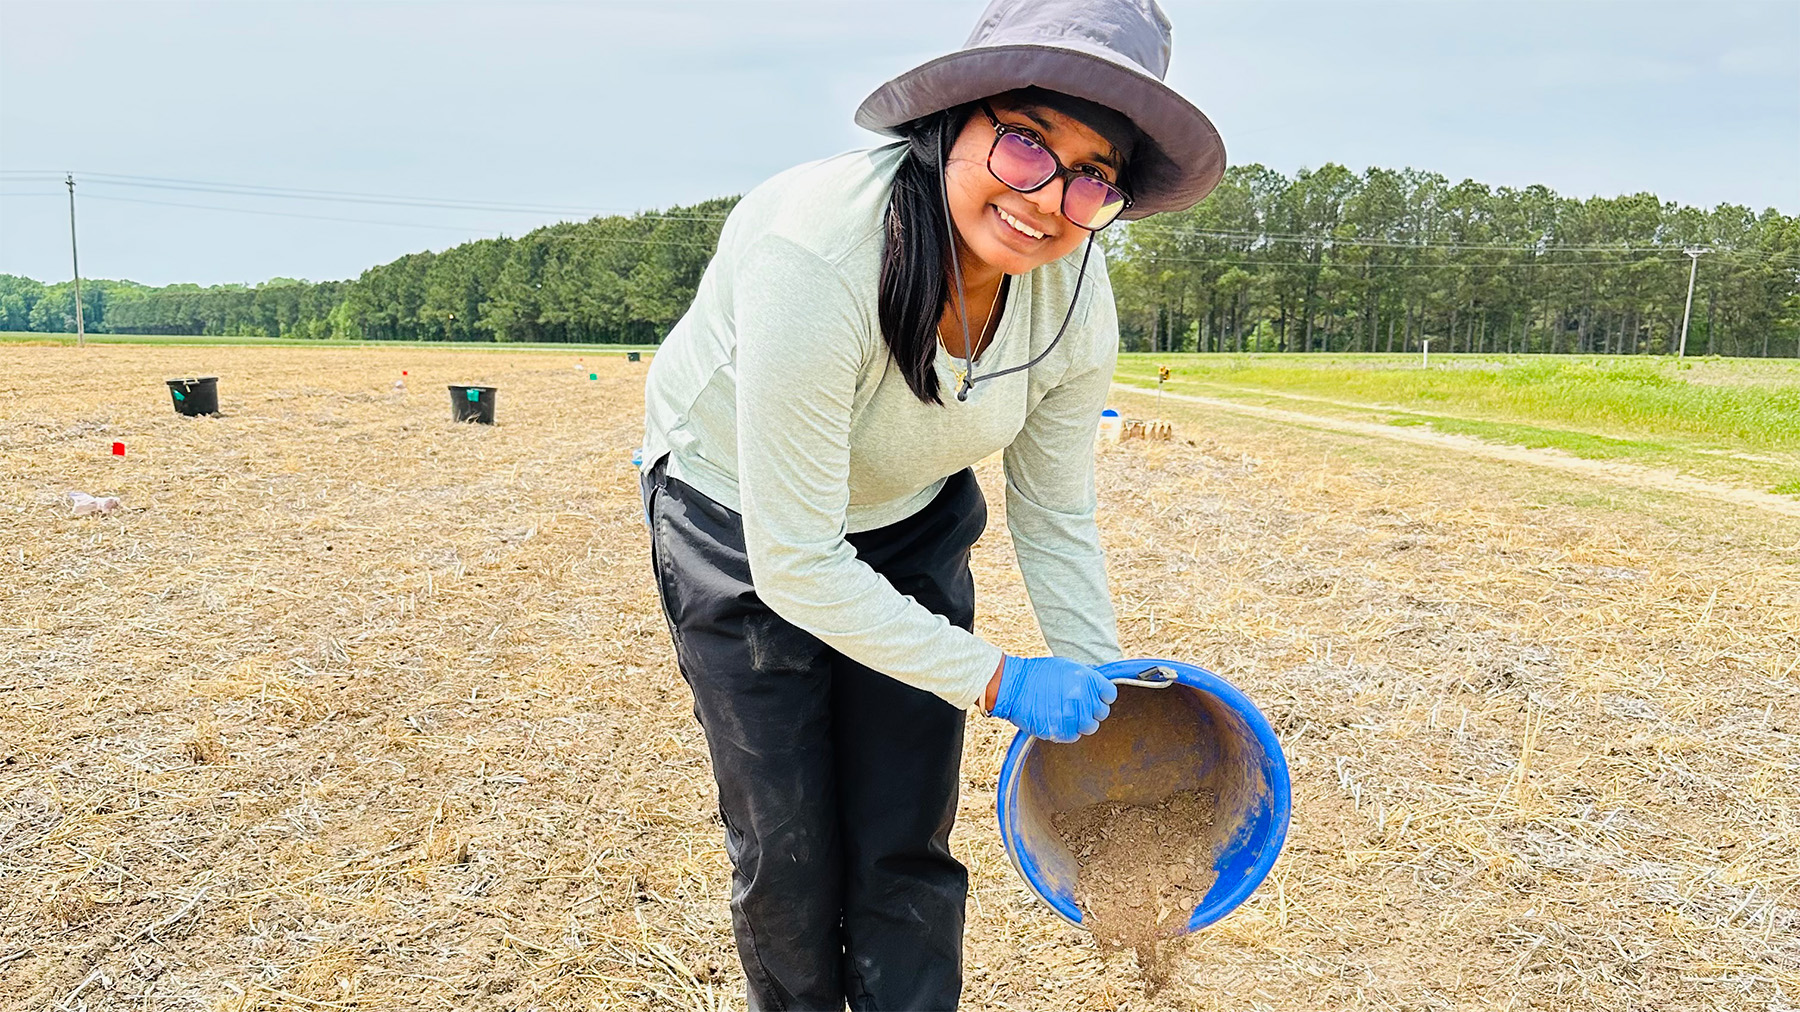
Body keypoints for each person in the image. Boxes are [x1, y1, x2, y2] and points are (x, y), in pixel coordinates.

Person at [639, 0, 1225, 1007]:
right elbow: (797, 562)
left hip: (907, 517)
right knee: (789, 848)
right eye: (1028, 142)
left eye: (1093, 176)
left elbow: (1053, 508)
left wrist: (1103, 693)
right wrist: (1001, 680)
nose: (1049, 200)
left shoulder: (1074, 293)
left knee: (904, 835)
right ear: (954, 119)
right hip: (739, 521)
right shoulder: (819, 251)